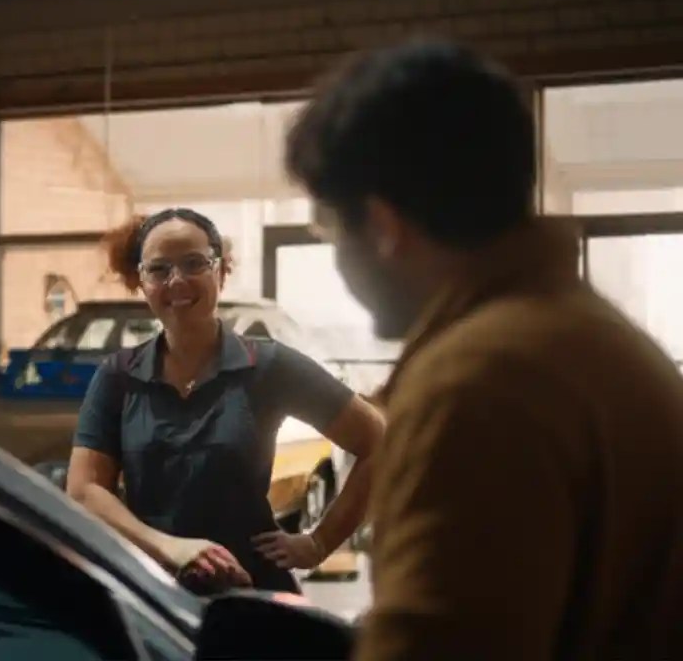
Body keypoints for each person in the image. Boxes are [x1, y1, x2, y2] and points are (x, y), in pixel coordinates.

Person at [285, 36, 683, 660]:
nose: (336, 256)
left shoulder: (475, 386)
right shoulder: (588, 336)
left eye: (330, 228)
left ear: (384, 227)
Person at [65, 207, 386, 594]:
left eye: (193, 263)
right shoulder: (118, 376)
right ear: (141, 281)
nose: (176, 280)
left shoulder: (269, 366)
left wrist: (318, 543)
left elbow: (378, 442)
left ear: (221, 272)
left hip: (251, 589)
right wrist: (171, 548)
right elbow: (84, 490)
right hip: (152, 594)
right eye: (159, 269)